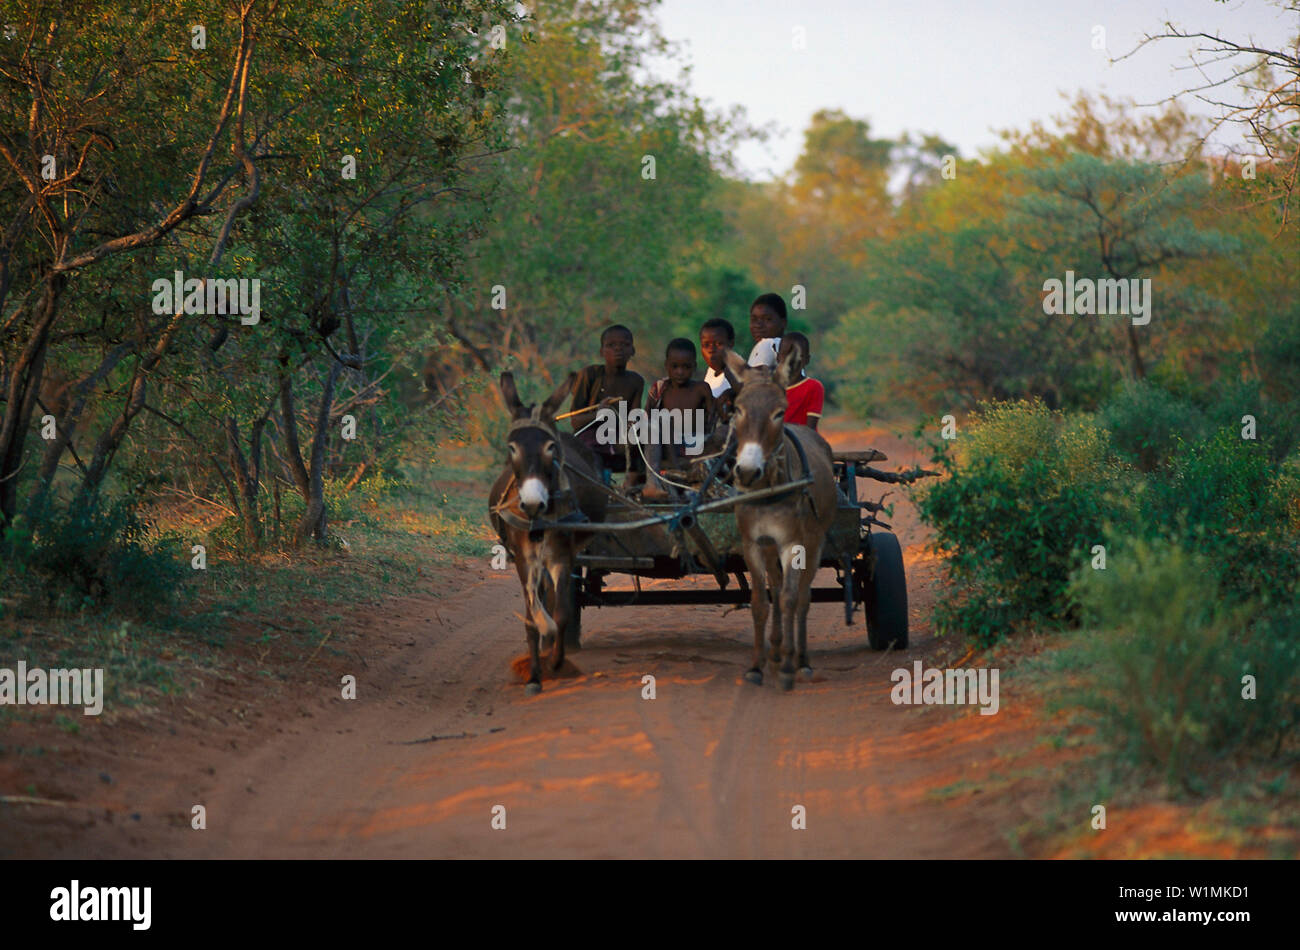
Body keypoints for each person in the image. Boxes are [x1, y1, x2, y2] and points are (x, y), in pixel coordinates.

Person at [642, 338, 714, 499]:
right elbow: (647, 418)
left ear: (694, 367)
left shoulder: (701, 389)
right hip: (667, 446)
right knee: (657, 424)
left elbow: (712, 421)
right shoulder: (660, 389)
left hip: (694, 444)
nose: (680, 372)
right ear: (667, 366)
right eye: (675, 367)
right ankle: (653, 482)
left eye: (686, 367)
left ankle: (688, 479)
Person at [568, 324, 644, 473]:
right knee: (592, 460)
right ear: (601, 352)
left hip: (619, 439)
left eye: (624, 345)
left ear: (632, 351)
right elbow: (575, 421)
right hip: (590, 439)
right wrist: (599, 414)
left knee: (645, 446)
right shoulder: (589, 375)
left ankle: (636, 487)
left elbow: (633, 419)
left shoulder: (636, 381)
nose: (618, 349)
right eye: (611, 345)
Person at [777, 332, 824, 430]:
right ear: (778, 357)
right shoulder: (769, 388)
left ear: (807, 359)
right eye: (786, 355)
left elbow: (810, 430)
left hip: (802, 442)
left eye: (799, 356)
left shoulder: (813, 387)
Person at [699, 317, 736, 419]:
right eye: (706, 345)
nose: (711, 349)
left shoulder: (736, 374)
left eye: (719, 344)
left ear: (731, 344)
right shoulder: (711, 371)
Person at [747, 292, 787, 369]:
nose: (758, 325)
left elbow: (752, 380)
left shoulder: (769, 344)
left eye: (767, 319)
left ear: (783, 322)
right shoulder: (791, 348)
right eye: (753, 319)